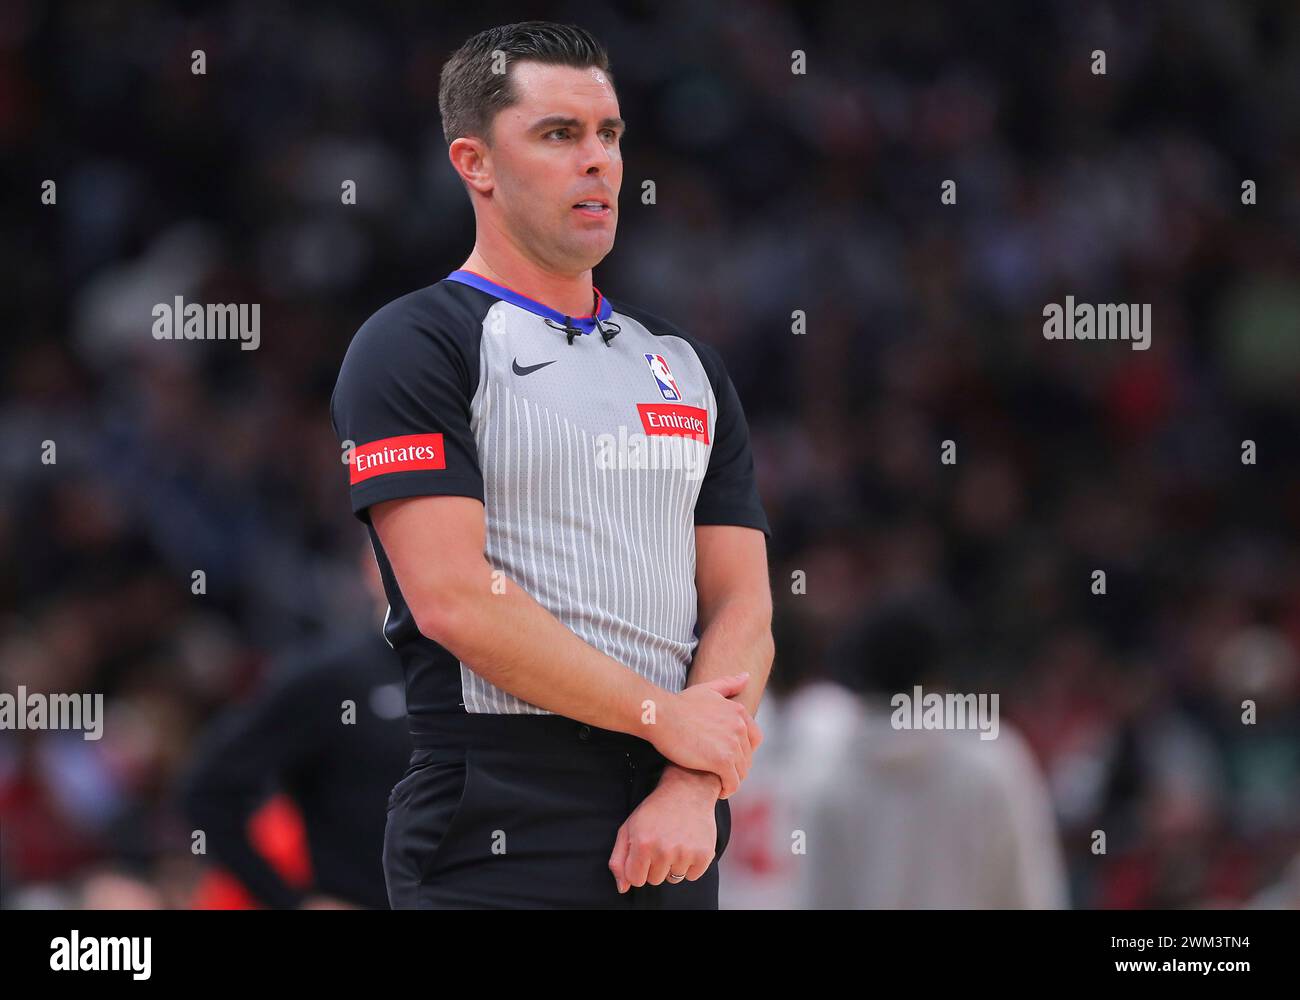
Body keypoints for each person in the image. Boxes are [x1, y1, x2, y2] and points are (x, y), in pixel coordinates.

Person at [329, 21, 774, 909]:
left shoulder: (686, 363)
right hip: (500, 803)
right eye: (559, 134)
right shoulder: (414, 343)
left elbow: (743, 602)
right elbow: (454, 598)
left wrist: (694, 782)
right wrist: (665, 719)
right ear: (475, 164)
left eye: (608, 135)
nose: (599, 161)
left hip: (672, 815)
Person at [181, 545, 410, 908]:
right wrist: (292, 902)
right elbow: (207, 791)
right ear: (370, 567)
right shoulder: (330, 678)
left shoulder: (485, 672)